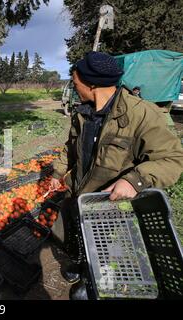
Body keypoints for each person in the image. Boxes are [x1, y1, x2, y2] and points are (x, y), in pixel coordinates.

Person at [50, 51, 183, 299]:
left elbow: (172, 159)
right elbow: (71, 147)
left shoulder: (142, 114)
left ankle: (94, 279)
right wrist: (58, 171)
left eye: (75, 81)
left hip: (107, 203)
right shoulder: (83, 112)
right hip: (78, 191)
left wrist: (135, 180)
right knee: (75, 233)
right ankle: (79, 264)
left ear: (91, 84)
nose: (74, 85)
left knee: (102, 246)